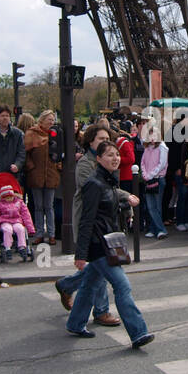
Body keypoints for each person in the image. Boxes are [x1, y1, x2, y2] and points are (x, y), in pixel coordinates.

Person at [65, 139, 154, 349]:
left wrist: (123, 203)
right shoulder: (94, 184)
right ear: (98, 159)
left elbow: (107, 209)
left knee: (89, 285)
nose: (115, 158)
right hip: (99, 244)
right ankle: (138, 332)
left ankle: (76, 323)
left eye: (117, 154)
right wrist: (81, 254)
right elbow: (87, 219)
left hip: (109, 241)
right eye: (109, 155)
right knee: (122, 286)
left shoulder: (108, 182)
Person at [53, 125, 119, 326]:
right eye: (100, 138)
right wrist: (126, 196)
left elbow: (112, 192)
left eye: (107, 138)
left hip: (103, 222)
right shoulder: (85, 164)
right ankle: (101, 311)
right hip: (87, 220)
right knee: (100, 265)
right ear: (90, 141)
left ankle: (67, 285)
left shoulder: (108, 161)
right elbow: (98, 190)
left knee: (97, 269)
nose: (104, 141)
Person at [23, 111, 61, 245]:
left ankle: (51, 234)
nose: (51, 122)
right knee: (38, 206)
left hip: (51, 174)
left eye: (53, 120)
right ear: (42, 120)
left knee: (49, 206)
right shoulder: (32, 133)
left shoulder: (55, 134)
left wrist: (58, 165)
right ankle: (39, 233)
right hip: (36, 174)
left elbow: (60, 151)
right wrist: (31, 167)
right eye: (49, 119)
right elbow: (25, 153)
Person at [0, 182, 35, 262]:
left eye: (10, 197)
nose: (9, 199)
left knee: (20, 229)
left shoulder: (19, 203)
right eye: (7, 197)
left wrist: (30, 228)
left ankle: (22, 247)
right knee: (7, 230)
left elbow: (26, 215)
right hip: (4, 221)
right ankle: (7, 248)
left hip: (16, 220)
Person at [139, 128, 169, 239]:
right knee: (150, 206)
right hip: (148, 179)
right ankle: (154, 228)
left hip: (158, 179)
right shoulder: (147, 148)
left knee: (156, 206)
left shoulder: (162, 147)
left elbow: (162, 164)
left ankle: (160, 229)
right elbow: (142, 162)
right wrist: (145, 174)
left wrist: (150, 175)